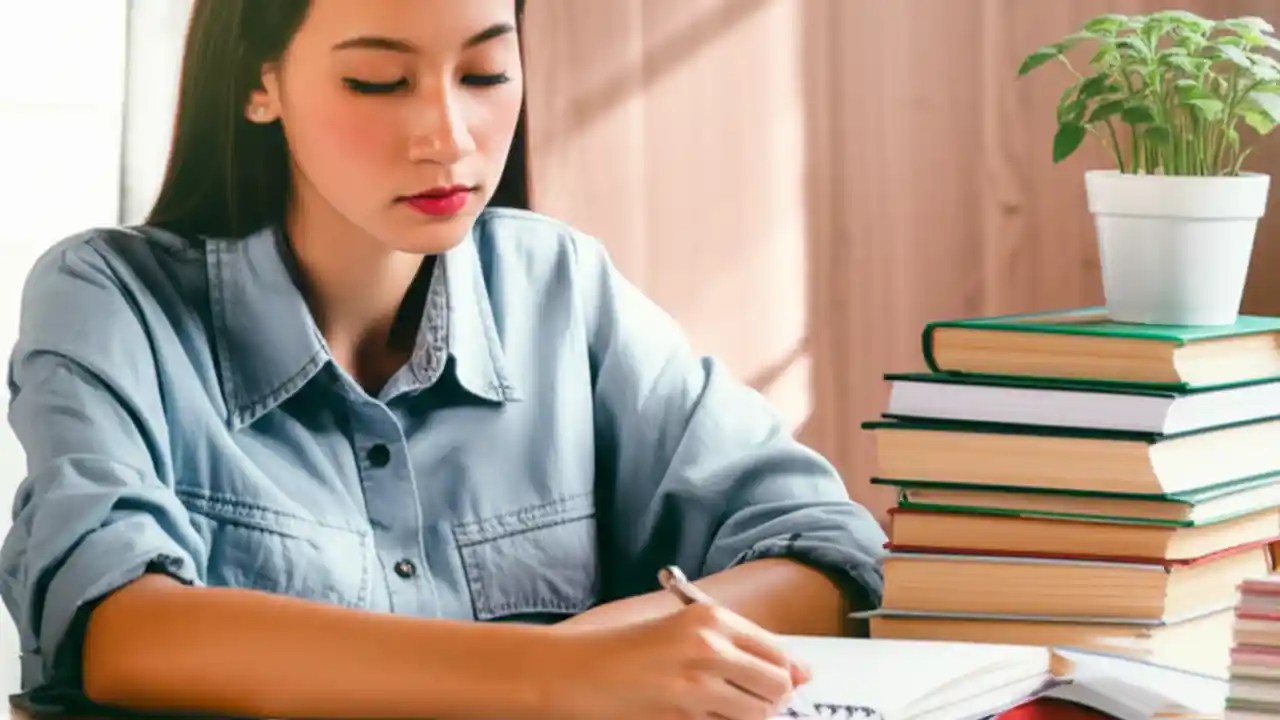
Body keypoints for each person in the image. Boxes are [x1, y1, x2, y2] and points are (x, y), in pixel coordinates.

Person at [0, 0, 887, 718]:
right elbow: (121, 631)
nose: (450, 136)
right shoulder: (108, 297)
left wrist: (618, 652)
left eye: (486, 72)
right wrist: (555, 675)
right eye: (379, 80)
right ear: (258, 83)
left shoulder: (557, 286)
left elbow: (826, 559)